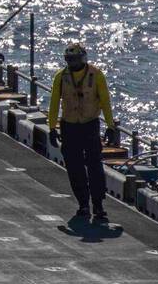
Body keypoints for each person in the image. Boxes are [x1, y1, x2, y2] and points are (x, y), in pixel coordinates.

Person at [47, 42, 118, 223]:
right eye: (69, 59)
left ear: (83, 58)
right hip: (69, 127)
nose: (72, 63)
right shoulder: (61, 77)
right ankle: (83, 204)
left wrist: (110, 126)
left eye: (75, 59)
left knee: (95, 165)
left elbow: (105, 101)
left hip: (90, 126)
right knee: (74, 167)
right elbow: (54, 103)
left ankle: (98, 204)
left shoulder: (96, 75)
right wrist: (52, 128)